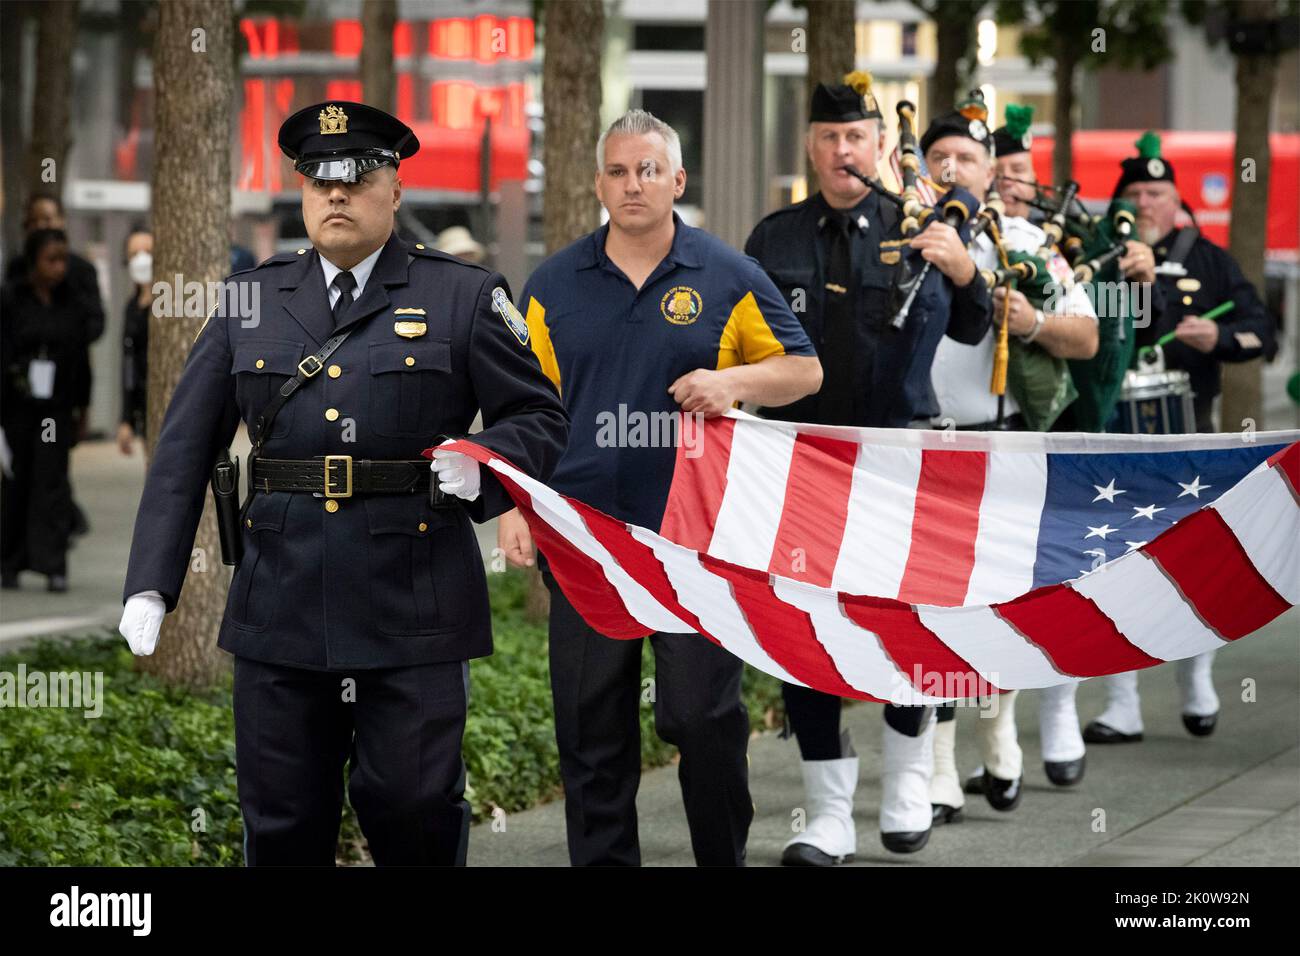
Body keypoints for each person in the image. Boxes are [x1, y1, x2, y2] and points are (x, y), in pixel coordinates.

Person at [116, 101, 569, 866]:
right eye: (318, 179)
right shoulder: (251, 298)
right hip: (283, 598)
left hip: (415, 600)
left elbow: (542, 418)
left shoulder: (463, 294)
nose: (335, 194)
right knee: (283, 819)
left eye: (357, 178)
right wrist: (151, 583)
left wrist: (483, 461)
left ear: (394, 189)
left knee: (415, 809)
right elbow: (184, 449)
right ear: (301, 190)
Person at [496, 109, 822, 866]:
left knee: (701, 717)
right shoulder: (551, 284)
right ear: (599, 184)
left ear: (677, 180)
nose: (632, 183)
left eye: (648, 170)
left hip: (697, 537)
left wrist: (733, 379)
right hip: (583, 536)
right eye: (618, 170)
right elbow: (524, 407)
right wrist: (517, 503)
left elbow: (804, 370)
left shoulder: (727, 273)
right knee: (590, 724)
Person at [744, 74, 994, 862]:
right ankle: (825, 807)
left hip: (902, 459)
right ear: (812, 146)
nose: (843, 150)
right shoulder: (773, 237)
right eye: (828, 136)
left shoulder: (920, 225)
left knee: (909, 620)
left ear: (881, 145)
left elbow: (977, 326)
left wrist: (961, 269)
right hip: (803, 459)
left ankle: (911, 778)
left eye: (857, 137)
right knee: (806, 628)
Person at [922, 101, 1099, 824]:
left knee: (999, 596)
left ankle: (996, 724)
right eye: (939, 159)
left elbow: (1084, 336)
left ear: (990, 171)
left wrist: (1032, 323)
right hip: (916, 441)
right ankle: (934, 767)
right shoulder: (903, 235)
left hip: (1003, 440)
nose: (951, 170)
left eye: (966, 159)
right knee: (928, 604)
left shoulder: (1025, 239)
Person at [1080, 131, 1277, 746]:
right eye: (1135, 192)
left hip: (1187, 431)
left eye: (1157, 192)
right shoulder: (1100, 259)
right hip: (1116, 434)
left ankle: (1196, 681)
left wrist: (1215, 341)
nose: (1145, 202)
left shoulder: (1209, 259)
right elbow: (1105, 332)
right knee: (1113, 559)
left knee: (1193, 558)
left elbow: (1260, 332)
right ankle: (1122, 703)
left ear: (1176, 200)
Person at [5, 192, 106, 538]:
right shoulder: (16, 277)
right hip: (22, 393)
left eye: (50, 220)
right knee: (21, 470)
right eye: (37, 221)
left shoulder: (78, 276)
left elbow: (93, 327)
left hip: (62, 387)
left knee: (52, 469)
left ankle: (53, 545)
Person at [0, 229, 91, 592]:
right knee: (16, 480)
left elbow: (81, 359)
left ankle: (54, 564)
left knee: (52, 482)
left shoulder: (71, 303)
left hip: (56, 406)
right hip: (18, 406)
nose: (58, 268)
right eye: (50, 260)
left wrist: (82, 408)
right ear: (33, 262)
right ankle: (10, 560)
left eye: (63, 260)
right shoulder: (11, 300)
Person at [118, 225, 153, 455]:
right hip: (144, 407)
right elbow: (128, 362)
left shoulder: (172, 303)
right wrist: (126, 419)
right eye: (134, 253)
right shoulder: (132, 306)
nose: (141, 259)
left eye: (148, 252)